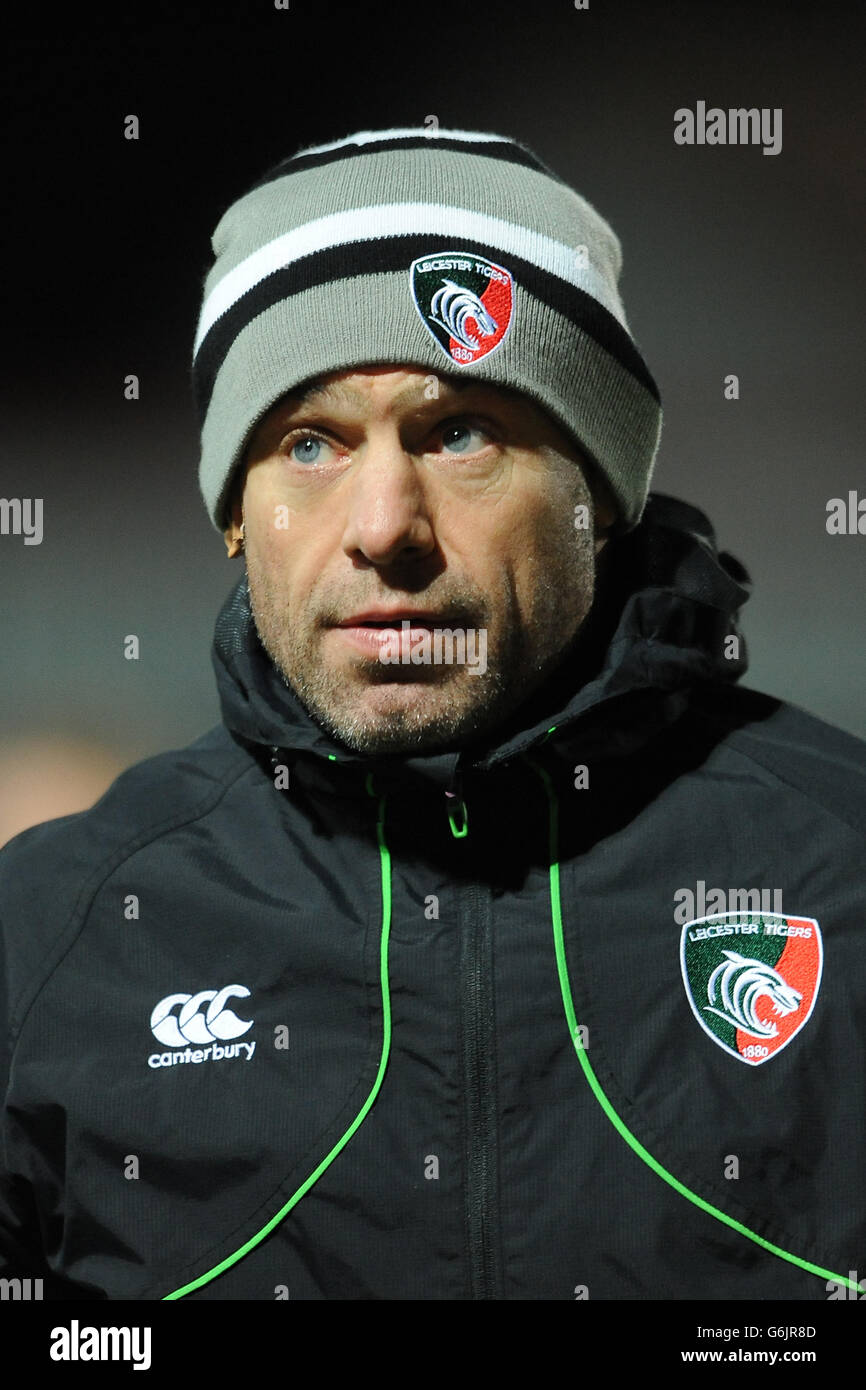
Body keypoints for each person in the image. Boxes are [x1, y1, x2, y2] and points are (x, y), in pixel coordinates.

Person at [1, 125, 864, 1303]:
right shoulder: (52, 940)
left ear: (599, 496)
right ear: (234, 513)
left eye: (459, 431)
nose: (383, 523)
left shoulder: (841, 868)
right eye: (308, 442)